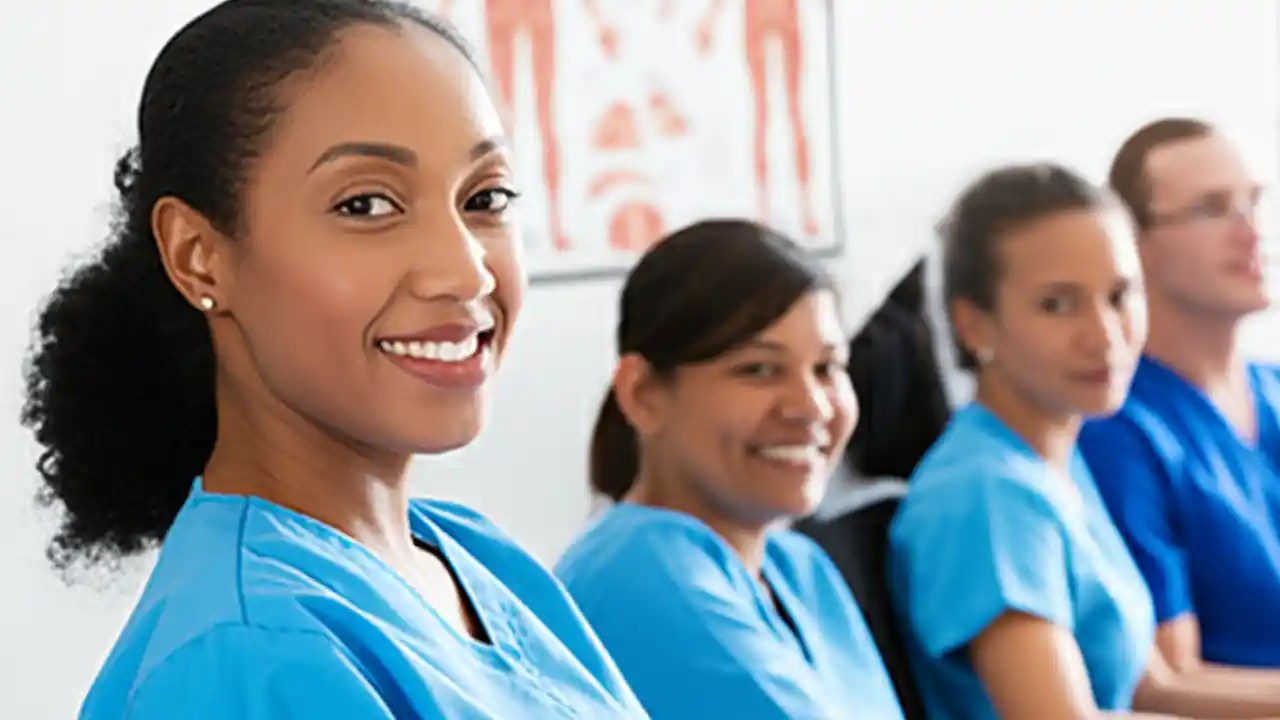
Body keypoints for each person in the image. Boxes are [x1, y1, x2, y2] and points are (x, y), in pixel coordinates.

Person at [20, 2, 647, 717]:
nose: (467, 271)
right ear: (200, 258)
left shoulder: (471, 556)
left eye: (485, 197)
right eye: (366, 205)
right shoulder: (247, 657)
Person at [888, 162, 1280, 719]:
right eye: (1058, 304)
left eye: (1121, 295)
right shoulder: (986, 496)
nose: (1104, 334)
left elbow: (1150, 691)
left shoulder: (1052, 462)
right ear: (974, 325)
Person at [554, 220, 905, 719]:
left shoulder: (801, 570)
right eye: (759, 370)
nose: (809, 407)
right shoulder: (638, 574)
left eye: (826, 369)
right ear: (643, 393)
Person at [1079, 118, 1280, 678]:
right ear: (1132, 245)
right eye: (1213, 209)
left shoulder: (1272, 389)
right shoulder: (1117, 430)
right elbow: (1175, 675)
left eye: (1255, 202)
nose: (1252, 231)